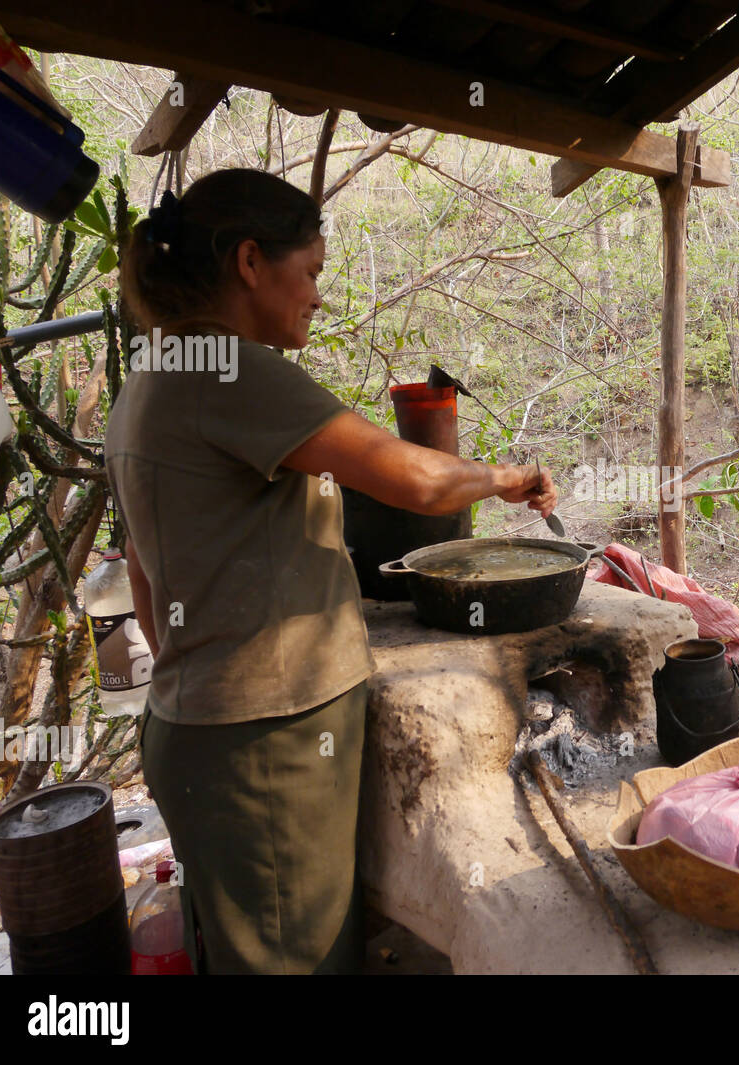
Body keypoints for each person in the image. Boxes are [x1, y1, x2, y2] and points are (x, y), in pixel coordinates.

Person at [104, 169, 557, 973]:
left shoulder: (154, 369)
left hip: (200, 730)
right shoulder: (230, 369)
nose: (317, 294)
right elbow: (412, 478)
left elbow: (145, 572)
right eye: (308, 272)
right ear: (250, 261)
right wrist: (507, 478)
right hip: (264, 745)